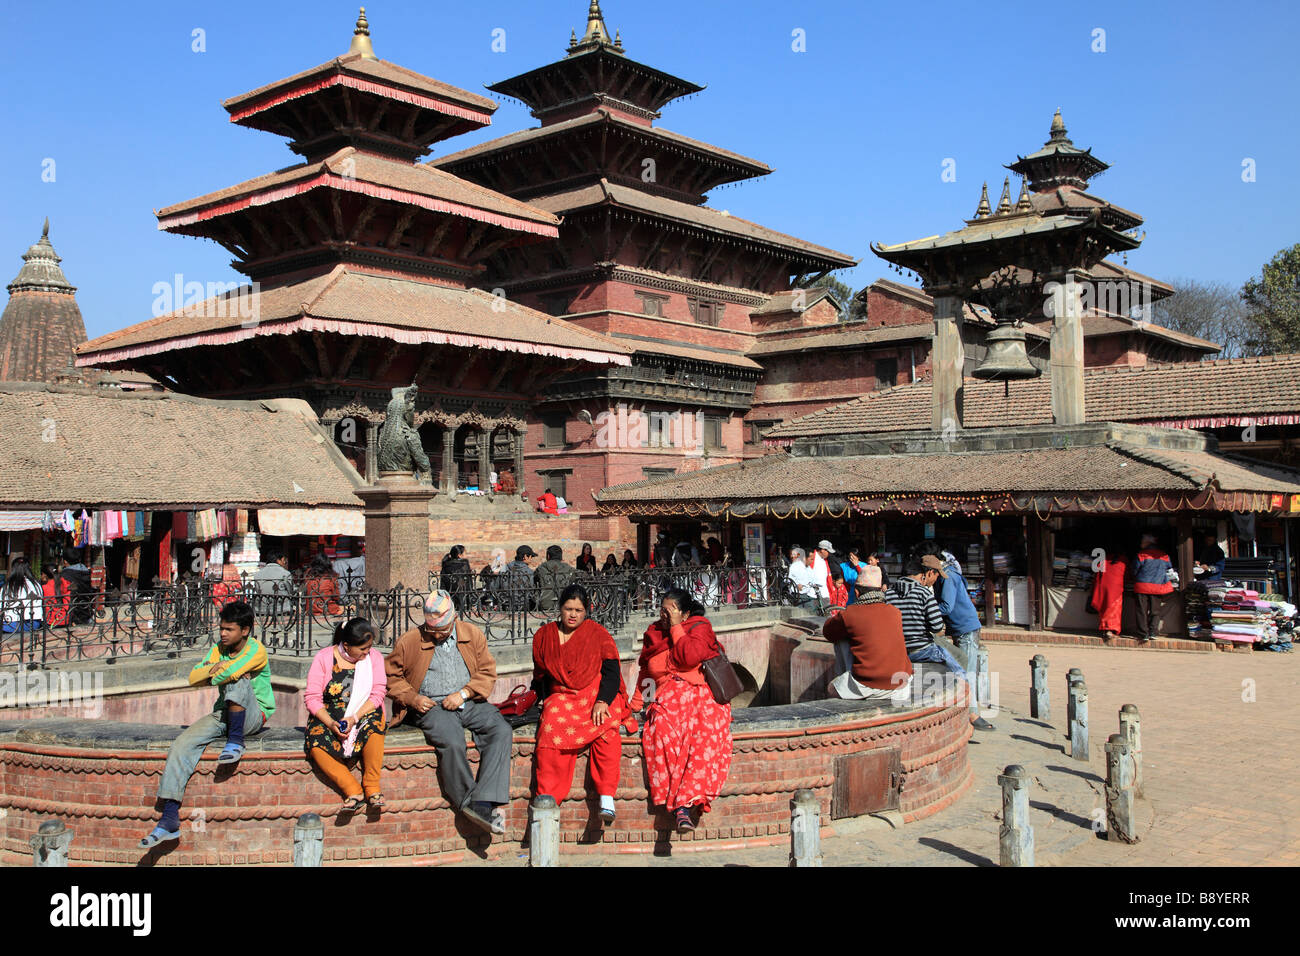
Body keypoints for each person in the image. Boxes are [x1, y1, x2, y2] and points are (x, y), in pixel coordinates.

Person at [140, 600, 274, 847]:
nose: (223, 634)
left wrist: (215, 672)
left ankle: (235, 742)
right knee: (182, 743)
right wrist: (218, 667)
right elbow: (192, 678)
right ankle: (169, 818)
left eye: (229, 629)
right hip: (224, 713)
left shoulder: (257, 650)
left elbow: (229, 676)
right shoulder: (218, 649)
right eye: (221, 628)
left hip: (254, 716)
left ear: (245, 630)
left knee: (238, 682)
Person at [386, 591, 512, 834]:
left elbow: (487, 671)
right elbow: (392, 677)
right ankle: (468, 801)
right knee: (452, 740)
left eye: (442, 630)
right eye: (433, 631)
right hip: (430, 706)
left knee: (501, 730)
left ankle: (486, 798)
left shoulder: (472, 634)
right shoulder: (409, 641)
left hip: (468, 700)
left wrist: (464, 693)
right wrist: (413, 698)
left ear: (454, 618)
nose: (438, 635)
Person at [531, 583, 637, 824]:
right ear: (559, 609)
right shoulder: (544, 636)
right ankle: (547, 795)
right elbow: (540, 675)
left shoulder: (598, 634)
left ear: (586, 611)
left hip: (594, 693)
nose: (572, 615)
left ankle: (607, 797)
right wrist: (535, 698)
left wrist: (603, 701)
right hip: (561, 695)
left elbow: (611, 671)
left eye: (578, 610)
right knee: (549, 729)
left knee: (607, 727)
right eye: (568, 609)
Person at [629, 589, 732, 834]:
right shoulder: (654, 633)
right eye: (662, 610)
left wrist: (677, 628)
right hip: (667, 699)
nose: (665, 616)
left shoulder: (699, 626)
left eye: (671, 611)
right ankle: (681, 806)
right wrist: (636, 704)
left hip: (699, 695)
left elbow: (688, 657)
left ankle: (684, 805)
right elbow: (647, 672)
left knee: (703, 733)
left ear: (685, 613)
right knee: (661, 733)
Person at [305, 618, 387, 811]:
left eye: (369, 647)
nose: (367, 652)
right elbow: (312, 698)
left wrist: (354, 718)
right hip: (330, 716)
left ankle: (372, 787)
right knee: (315, 743)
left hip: (363, 713)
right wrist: (331, 723)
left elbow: (378, 694)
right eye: (362, 649)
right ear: (347, 645)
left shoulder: (374, 658)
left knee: (375, 728)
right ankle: (352, 789)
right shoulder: (324, 658)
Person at [915, 541, 994, 730]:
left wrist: (926, 611)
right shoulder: (946, 573)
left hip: (965, 627)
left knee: (965, 672)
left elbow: (947, 606)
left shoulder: (948, 575)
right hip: (960, 628)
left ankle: (972, 714)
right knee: (963, 669)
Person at [822, 582, 913, 703]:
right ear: (880, 590)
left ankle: (848, 678)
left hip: (869, 682)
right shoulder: (895, 612)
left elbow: (828, 632)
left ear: (856, 593)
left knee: (832, 689)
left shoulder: (850, 614)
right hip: (901, 684)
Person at [887, 556, 967, 679]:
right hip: (922, 650)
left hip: (896, 651)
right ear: (922, 576)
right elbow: (937, 627)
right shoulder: (924, 593)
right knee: (960, 670)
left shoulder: (887, 595)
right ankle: (965, 689)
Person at [1133, 533, 1174, 641]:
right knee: (1155, 611)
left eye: (1142, 541)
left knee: (1141, 610)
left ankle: (1143, 633)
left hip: (1142, 586)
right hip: (1157, 587)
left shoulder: (1141, 555)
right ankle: (1153, 632)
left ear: (1147, 543)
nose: (1141, 543)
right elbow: (1169, 567)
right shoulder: (1164, 556)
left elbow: (1135, 570)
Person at [1091, 543, 1127, 640]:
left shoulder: (1103, 559)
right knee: (1114, 609)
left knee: (1105, 607)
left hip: (1104, 586)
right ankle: (1110, 630)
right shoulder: (1123, 560)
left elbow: (1097, 571)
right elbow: (1128, 575)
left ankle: (1105, 628)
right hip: (1116, 588)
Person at [1, 559, 42, 632]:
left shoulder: (7, 586)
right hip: (33, 624)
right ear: (29, 568)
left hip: (10, 625)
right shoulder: (36, 585)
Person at [536, 545, 577, 612]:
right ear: (561, 556)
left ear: (548, 556)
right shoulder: (568, 569)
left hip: (545, 605)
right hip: (563, 603)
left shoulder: (540, 569)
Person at [252, 550, 293, 615]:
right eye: (284, 560)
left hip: (261, 608)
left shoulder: (257, 574)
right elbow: (290, 591)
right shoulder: (286, 573)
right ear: (281, 560)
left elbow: (257, 590)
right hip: (281, 608)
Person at [502, 545, 538, 611]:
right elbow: (531, 592)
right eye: (531, 556)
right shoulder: (529, 572)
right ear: (525, 557)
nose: (531, 559)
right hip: (524, 606)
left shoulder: (504, 568)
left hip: (506, 605)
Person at [441, 545, 472, 609]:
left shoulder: (446, 564)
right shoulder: (464, 564)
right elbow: (468, 581)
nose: (466, 555)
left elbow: (443, 582)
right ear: (459, 555)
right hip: (462, 593)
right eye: (465, 553)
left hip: (449, 593)